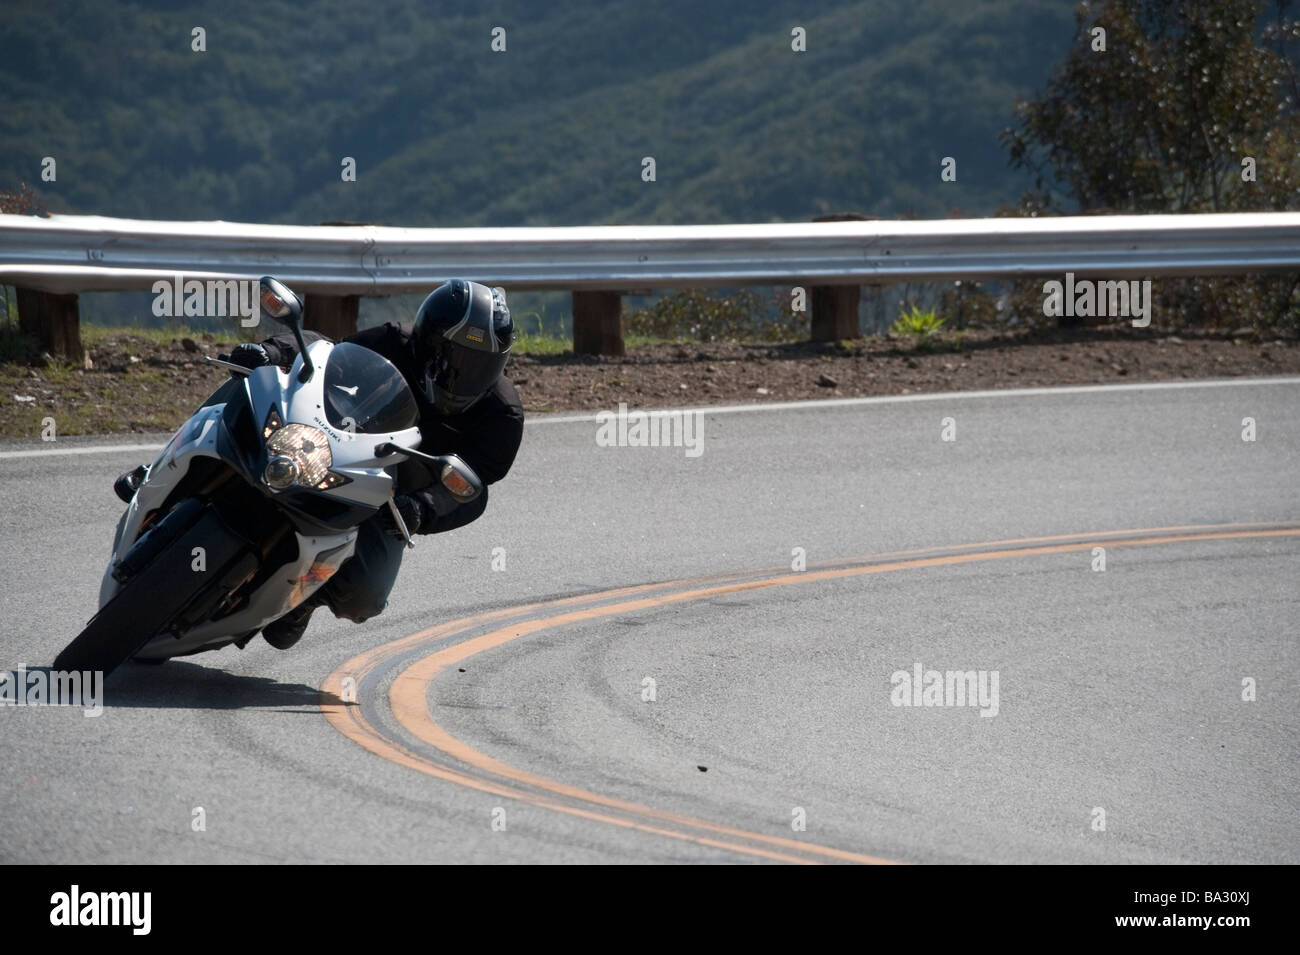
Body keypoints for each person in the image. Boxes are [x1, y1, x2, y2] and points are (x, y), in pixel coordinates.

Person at [112, 279, 524, 649]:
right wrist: (271, 350)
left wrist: (423, 509)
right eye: (456, 356)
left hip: (387, 498)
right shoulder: (391, 342)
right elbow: (324, 356)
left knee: (367, 594)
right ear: (427, 339)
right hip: (323, 445)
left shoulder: (501, 417)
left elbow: (472, 488)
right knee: (247, 379)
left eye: (480, 364)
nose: (462, 374)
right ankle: (156, 471)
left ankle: (302, 602)